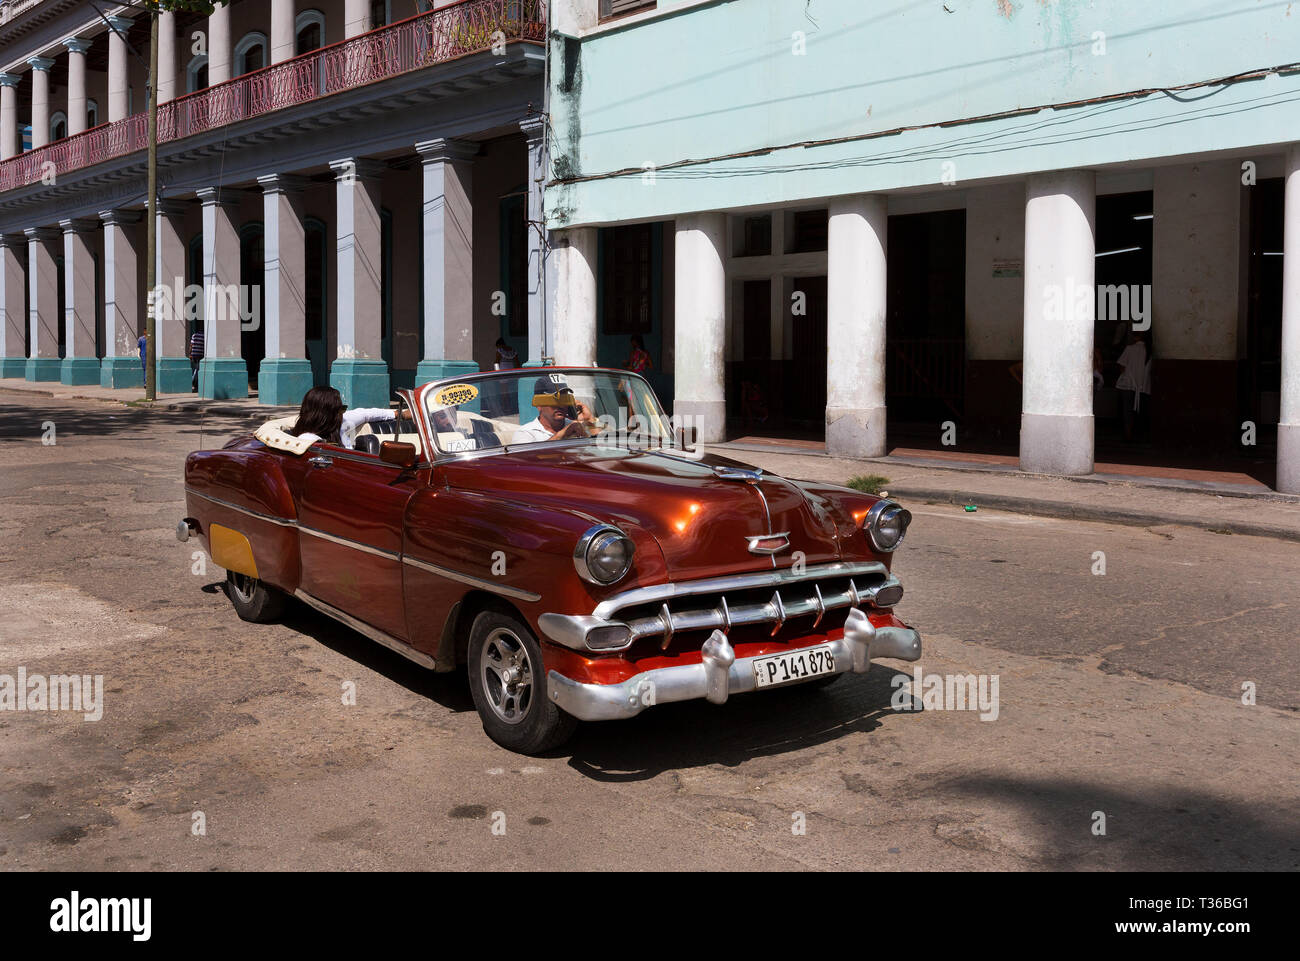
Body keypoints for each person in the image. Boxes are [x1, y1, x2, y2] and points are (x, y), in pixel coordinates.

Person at [286, 385, 409, 449]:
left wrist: (401, 414)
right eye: (339, 410)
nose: (342, 413)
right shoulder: (308, 440)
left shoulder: (341, 422)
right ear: (324, 415)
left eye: (343, 408)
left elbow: (365, 414)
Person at [513, 374, 596, 443]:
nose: (561, 405)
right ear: (539, 405)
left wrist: (589, 420)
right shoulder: (525, 432)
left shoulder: (576, 425)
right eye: (554, 401)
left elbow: (603, 446)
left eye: (565, 400)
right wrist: (562, 434)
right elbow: (529, 458)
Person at [1115, 330, 1151, 442]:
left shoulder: (1129, 349)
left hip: (1128, 385)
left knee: (1127, 411)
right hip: (1143, 386)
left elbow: (1121, 366)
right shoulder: (1149, 352)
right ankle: (1140, 436)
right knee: (1141, 413)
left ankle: (1128, 434)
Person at [189, 328, 205, 393]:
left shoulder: (194, 335)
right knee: (197, 370)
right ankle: (194, 383)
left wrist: (190, 353)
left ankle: (194, 383)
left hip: (194, 354)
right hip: (201, 354)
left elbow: (191, 345)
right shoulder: (204, 336)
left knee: (196, 369)